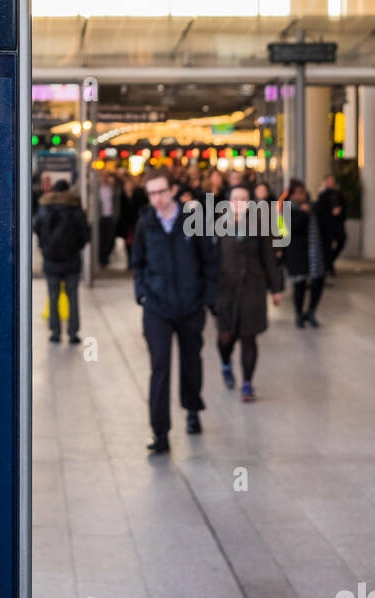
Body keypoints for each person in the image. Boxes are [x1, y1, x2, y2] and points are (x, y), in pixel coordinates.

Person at [132, 167, 218, 455]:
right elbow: (138, 264)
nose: (156, 198)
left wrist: (207, 297)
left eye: (160, 192)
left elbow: (210, 261)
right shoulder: (146, 224)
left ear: (172, 191)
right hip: (157, 308)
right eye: (151, 193)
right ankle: (160, 432)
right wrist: (142, 294)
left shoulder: (193, 220)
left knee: (191, 361)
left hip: (191, 306)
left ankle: (192, 409)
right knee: (160, 367)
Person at [215, 185, 283, 402]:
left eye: (244, 199)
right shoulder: (217, 225)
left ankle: (247, 384)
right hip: (225, 289)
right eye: (235, 199)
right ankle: (226, 364)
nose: (239, 203)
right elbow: (210, 259)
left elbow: (269, 258)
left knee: (248, 337)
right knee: (226, 337)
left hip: (252, 287)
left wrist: (275, 289)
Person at [34, 178, 90, 345]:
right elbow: (85, 235)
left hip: (51, 260)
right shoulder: (76, 208)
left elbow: (36, 229)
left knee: (53, 296)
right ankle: (73, 333)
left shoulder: (44, 208)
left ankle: (55, 333)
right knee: (73, 297)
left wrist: (45, 247)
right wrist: (76, 247)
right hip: (72, 260)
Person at [279, 179, 325, 328]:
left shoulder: (312, 207)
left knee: (318, 282)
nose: (301, 195)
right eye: (298, 193)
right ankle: (298, 314)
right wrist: (303, 214)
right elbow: (288, 229)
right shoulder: (286, 208)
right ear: (292, 194)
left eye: (303, 192)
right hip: (297, 253)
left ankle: (311, 312)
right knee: (299, 284)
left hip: (315, 253)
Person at [315, 174, 346, 277]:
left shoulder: (339, 194)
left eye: (332, 181)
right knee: (326, 247)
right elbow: (320, 211)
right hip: (327, 226)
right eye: (329, 181)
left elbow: (344, 207)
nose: (331, 183)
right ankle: (328, 266)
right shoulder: (322, 195)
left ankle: (329, 262)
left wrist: (340, 212)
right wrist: (331, 213)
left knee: (341, 241)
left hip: (337, 225)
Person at [97, 170, 121, 268]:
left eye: (106, 176)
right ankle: (102, 260)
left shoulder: (113, 188)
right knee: (101, 239)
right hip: (100, 217)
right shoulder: (97, 189)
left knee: (110, 239)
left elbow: (116, 203)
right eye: (103, 176)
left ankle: (105, 256)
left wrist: (116, 215)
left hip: (110, 216)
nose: (105, 178)